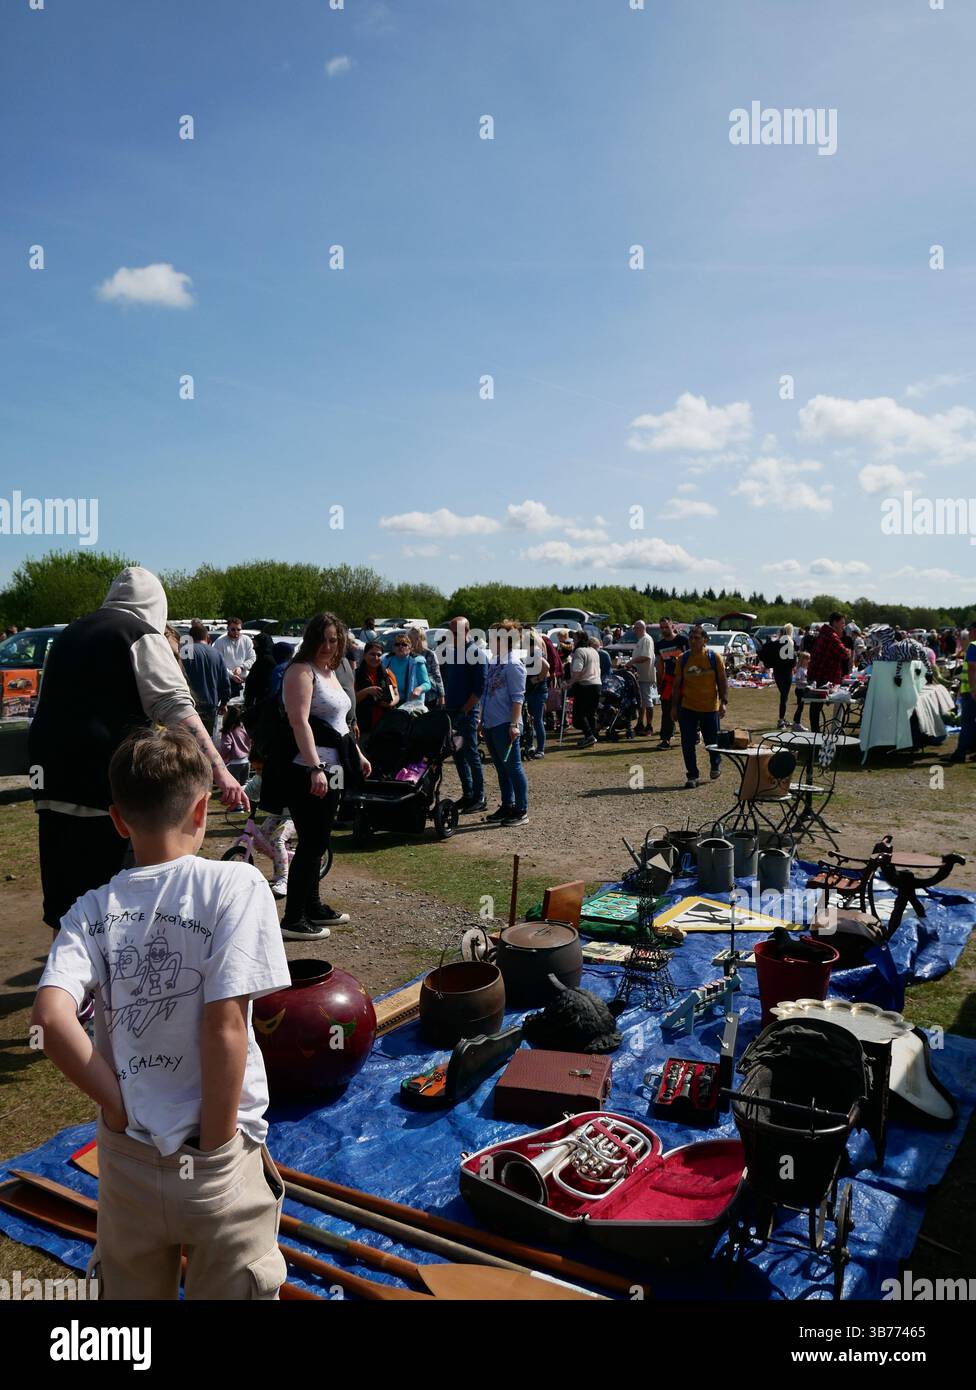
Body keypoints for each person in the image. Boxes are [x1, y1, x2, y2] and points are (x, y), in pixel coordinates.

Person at [31, 725, 291, 1300]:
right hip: (217, 1156)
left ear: (118, 819)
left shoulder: (88, 911)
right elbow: (224, 1025)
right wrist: (219, 1148)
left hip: (127, 1161)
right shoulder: (237, 885)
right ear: (202, 809)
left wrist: (118, 1107)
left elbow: (50, 1021)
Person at [27, 568, 248, 948]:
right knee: (117, 898)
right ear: (156, 605)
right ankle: (110, 991)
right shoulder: (138, 633)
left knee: (67, 902)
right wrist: (220, 769)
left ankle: (66, 984)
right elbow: (175, 706)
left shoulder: (70, 633)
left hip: (49, 778)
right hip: (104, 781)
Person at [263, 613, 370, 940]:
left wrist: (358, 754)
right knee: (311, 840)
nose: (327, 645)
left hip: (335, 767)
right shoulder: (301, 671)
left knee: (320, 837)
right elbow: (300, 722)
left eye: (334, 639)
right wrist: (314, 767)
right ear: (310, 639)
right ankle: (294, 917)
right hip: (308, 770)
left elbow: (339, 723)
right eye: (322, 639)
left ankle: (313, 905)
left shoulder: (330, 671)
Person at [481, 620, 528, 826]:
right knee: (501, 768)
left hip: (505, 724)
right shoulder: (495, 661)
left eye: (493, 637)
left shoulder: (513, 663)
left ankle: (521, 809)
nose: (490, 641)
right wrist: (482, 719)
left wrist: (514, 725)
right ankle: (507, 805)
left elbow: (518, 697)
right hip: (492, 722)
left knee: (513, 768)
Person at [670, 625, 728, 788]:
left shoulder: (713, 657)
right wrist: (674, 707)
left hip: (710, 708)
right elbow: (676, 685)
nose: (693, 641)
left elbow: (722, 680)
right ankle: (692, 775)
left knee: (712, 741)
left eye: (697, 638)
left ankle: (715, 763)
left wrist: (723, 702)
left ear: (705, 640)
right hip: (687, 707)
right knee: (687, 743)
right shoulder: (683, 658)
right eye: (691, 638)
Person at [442, 617, 487, 812]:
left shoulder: (476, 653)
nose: (451, 636)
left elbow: (479, 689)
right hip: (453, 712)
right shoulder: (453, 653)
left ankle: (479, 797)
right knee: (458, 755)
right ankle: (468, 794)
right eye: (450, 632)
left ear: (466, 631)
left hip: (466, 712)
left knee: (471, 754)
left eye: (455, 632)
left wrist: (465, 710)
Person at [183, 621, 233, 739]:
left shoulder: (186, 651)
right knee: (207, 739)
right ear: (207, 637)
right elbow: (224, 679)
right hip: (211, 703)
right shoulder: (216, 653)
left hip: (191, 704)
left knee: (189, 740)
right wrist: (225, 702)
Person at [806, 612, 852, 732]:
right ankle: (815, 732)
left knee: (816, 705)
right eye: (842, 623)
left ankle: (815, 731)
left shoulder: (826, 633)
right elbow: (844, 653)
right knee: (816, 705)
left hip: (819, 673)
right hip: (822, 674)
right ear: (835, 622)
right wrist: (847, 650)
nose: (843, 626)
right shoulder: (831, 635)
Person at [946, 618, 976, 764]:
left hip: (970, 692)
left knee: (967, 723)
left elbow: (971, 669)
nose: (968, 633)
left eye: (970, 630)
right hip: (971, 691)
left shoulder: (973, 646)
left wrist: (973, 690)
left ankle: (961, 753)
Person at [655, 617, 688, 749]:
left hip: (684, 681)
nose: (664, 630)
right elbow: (660, 665)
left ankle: (693, 733)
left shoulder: (682, 641)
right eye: (661, 627)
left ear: (672, 626)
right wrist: (659, 682)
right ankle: (666, 739)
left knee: (686, 709)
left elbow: (690, 659)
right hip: (669, 681)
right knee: (667, 710)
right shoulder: (660, 645)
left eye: (666, 627)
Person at [354, 640, 399, 736]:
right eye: (372, 654)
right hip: (363, 727)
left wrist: (391, 703)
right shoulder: (355, 675)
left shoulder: (387, 673)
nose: (376, 658)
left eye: (379, 655)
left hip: (385, 725)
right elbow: (352, 700)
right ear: (364, 655)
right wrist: (367, 691)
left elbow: (396, 695)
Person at [566, 630, 602, 748]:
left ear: (580, 640)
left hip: (585, 685)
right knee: (591, 713)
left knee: (579, 714)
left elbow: (577, 671)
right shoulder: (594, 651)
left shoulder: (579, 651)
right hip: (597, 684)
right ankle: (592, 736)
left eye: (575, 639)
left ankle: (589, 736)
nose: (573, 641)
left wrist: (569, 683)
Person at [759, 623, 799, 729]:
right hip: (786, 672)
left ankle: (783, 718)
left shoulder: (774, 644)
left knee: (784, 696)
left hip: (777, 672)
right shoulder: (789, 644)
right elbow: (793, 661)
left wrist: (769, 664)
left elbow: (763, 652)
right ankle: (781, 719)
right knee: (784, 697)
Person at [522, 628, 551, 760]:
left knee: (537, 721)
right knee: (529, 721)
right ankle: (530, 746)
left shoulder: (536, 652)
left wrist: (538, 679)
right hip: (531, 691)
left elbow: (546, 666)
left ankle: (540, 749)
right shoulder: (531, 653)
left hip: (537, 692)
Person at [383, 632, 430, 705]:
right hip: (390, 701)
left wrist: (419, 689)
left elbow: (427, 684)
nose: (400, 647)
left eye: (404, 644)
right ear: (393, 647)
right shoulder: (386, 660)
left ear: (410, 647)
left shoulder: (417, 662)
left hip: (411, 703)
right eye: (397, 644)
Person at [627, 620, 656, 735]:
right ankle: (640, 724)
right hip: (640, 675)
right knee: (641, 701)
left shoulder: (646, 639)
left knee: (647, 700)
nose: (634, 631)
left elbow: (646, 657)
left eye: (636, 628)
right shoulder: (642, 640)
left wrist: (632, 661)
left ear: (641, 628)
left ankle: (649, 726)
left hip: (646, 675)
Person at [214, 618, 256, 694]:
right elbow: (218, 663)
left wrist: (241, 667)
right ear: (228, 629)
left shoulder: (247, 640)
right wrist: (231, 675)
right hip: (226, 680)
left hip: (244, 679)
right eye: (233, 629)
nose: (236, 632)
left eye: (238, 629)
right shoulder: (220, 642)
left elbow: (252, 658)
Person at [409, 626, 444, 709]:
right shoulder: (407, 654)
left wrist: (442, 696)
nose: (411, 640)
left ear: (421, 639)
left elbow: (437, 675)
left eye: (416, 638)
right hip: (412, 695)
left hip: (430, 695)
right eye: (409, 637)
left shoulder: (430, 654)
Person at [244, 632, 278, 710]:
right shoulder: (261, 659)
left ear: (262, 644)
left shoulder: (267, 661)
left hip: (261, 702)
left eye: (255, 645)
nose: (253, 648)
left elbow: (264, 684)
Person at [219, 706, 252, 785]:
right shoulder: (242, 727)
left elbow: (226, 747)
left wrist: (221, 756)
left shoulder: (227, 730)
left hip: (233, 763)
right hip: (246, 761)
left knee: (232, 786)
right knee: (245, 786)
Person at [792, 650, 811, 727]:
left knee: (801, 707)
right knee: (800, 707)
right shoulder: (800, 669)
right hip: (800, 690)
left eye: (809, 659)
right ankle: (797, 722)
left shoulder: (806, 669)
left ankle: (796, 722)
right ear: (802, 660)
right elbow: (797, 680)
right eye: (807, 659)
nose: (808, 661)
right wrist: (806, 683)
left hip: (804, 690)